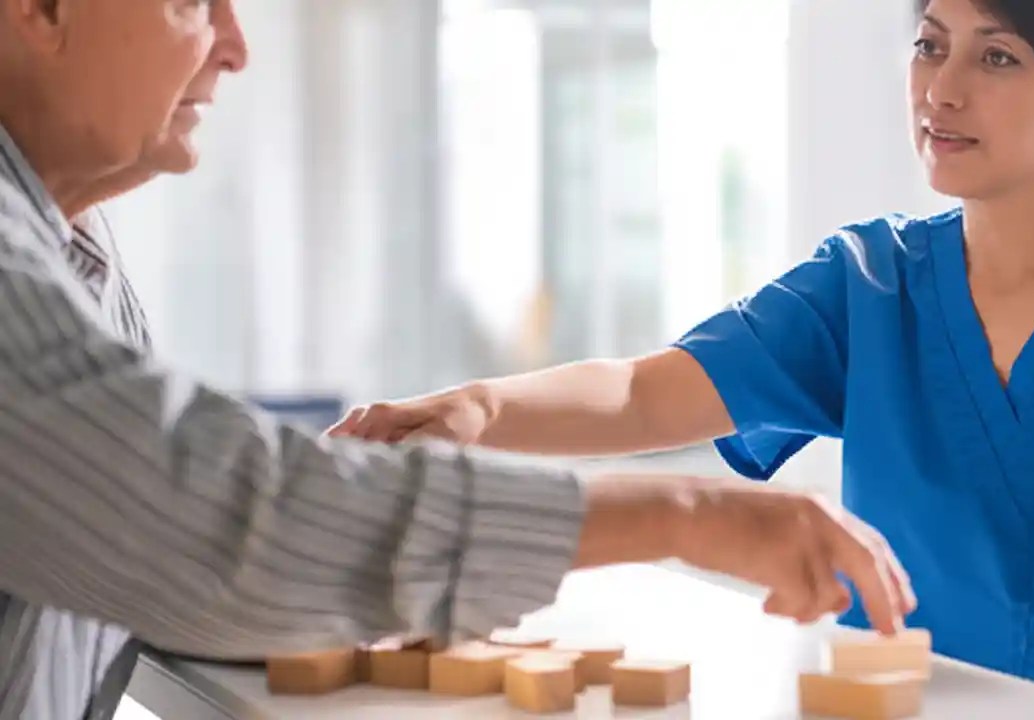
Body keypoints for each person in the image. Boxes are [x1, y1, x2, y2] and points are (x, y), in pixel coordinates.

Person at [334, 0, 1034, 716]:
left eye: (997, 56)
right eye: (928, 42)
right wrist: (478, 411)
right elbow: (643, 391)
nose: (941, 88)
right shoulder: (868, 284)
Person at [0, 1, 917, 718]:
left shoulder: (78, 246)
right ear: (36, 8)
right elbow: (207, 520)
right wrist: (680, 510)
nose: (235, 48)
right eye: (191, 3)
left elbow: (174, 548)